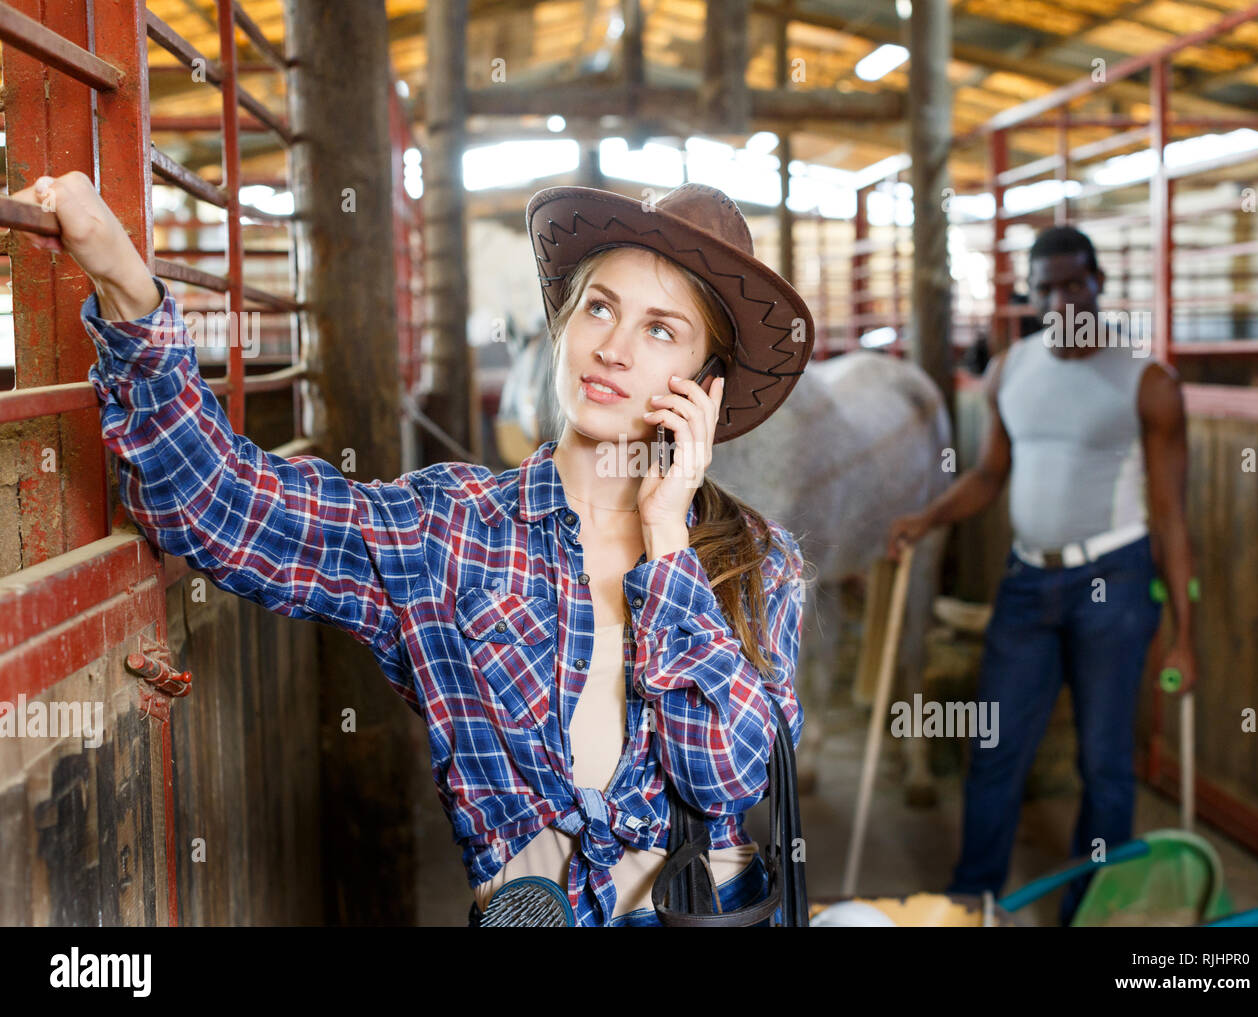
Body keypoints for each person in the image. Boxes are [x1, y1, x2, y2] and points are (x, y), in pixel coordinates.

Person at [10, 172, 813, 927]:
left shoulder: (754, 561)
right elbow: (213, 505)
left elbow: (725, 776)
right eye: (599, 308)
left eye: (660, 330)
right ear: (564, 323)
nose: (614, 348)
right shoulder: (447, 528)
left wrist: (668, 537)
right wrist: (124, 280)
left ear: (706, 387)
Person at [888, 225, 1198, 925]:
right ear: (1031, 293)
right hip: (1027, 580)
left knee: (1105, 762)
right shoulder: (1012, 368)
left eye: (1073, 282)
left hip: (1114, 583)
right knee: (995, 746)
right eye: (1046, 286)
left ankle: (1088, 908)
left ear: (1097, 284)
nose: (1061, 298)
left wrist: (1185, 633)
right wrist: (927, 518)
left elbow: (1173, 516)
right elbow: (990, 475)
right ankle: (974, 899)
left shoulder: (1147, 381)